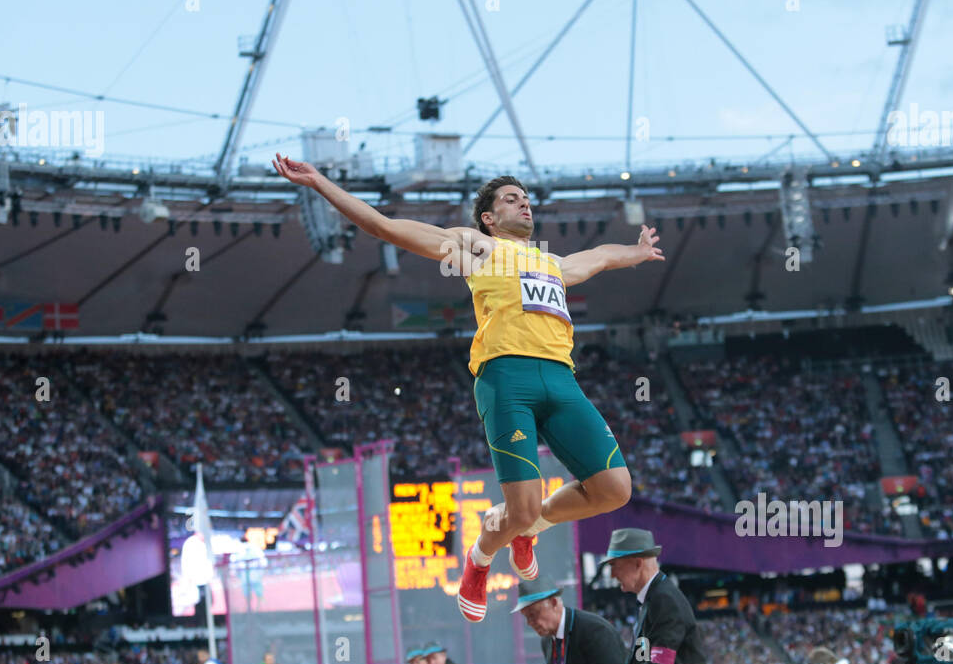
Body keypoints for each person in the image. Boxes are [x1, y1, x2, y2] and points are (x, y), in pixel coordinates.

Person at [273, 156, 664, 623]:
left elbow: (601, 256)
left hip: (562, 381)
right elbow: (384, 226)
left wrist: (636, 252)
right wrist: (320, 183)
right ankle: (479, 559)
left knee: (614, 489)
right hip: (506, 382)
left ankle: (530, 528)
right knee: (517, 509)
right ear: (488, 217)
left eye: (526, 199)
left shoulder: (553, 263)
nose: (524, 205)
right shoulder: (475, 246)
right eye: (511, 199)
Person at [598, 528, 707, 664]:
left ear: (638, 563)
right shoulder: (652, 599)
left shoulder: (664, 600)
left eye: (615, 566)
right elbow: (642, 660)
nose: (612, 575)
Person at [511, 581, 626, 664]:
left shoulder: (594, 630)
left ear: (553, 603)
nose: (529, 622)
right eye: (526, 617)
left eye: (533, 614)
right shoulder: (547, 641)